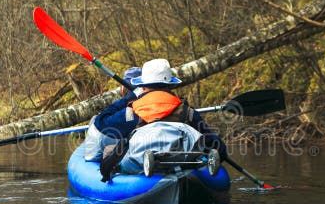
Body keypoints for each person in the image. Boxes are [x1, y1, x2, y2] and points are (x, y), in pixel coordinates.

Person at [94, 58, 227, 180]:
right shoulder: (187, 112)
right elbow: (219, 147)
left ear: (143, 87)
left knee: (110, 150)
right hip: (181, 161)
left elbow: (101, 122)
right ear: (169, 86)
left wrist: (129, 98)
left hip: (140, 163)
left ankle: (122, 171)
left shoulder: (133, 111)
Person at [83, 66, 141, 161]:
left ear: (123, 89)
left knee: (94, 119)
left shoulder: (129, 111)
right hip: (116, 133)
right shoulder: (130, 106)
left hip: (98, 146)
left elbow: (102, 122)